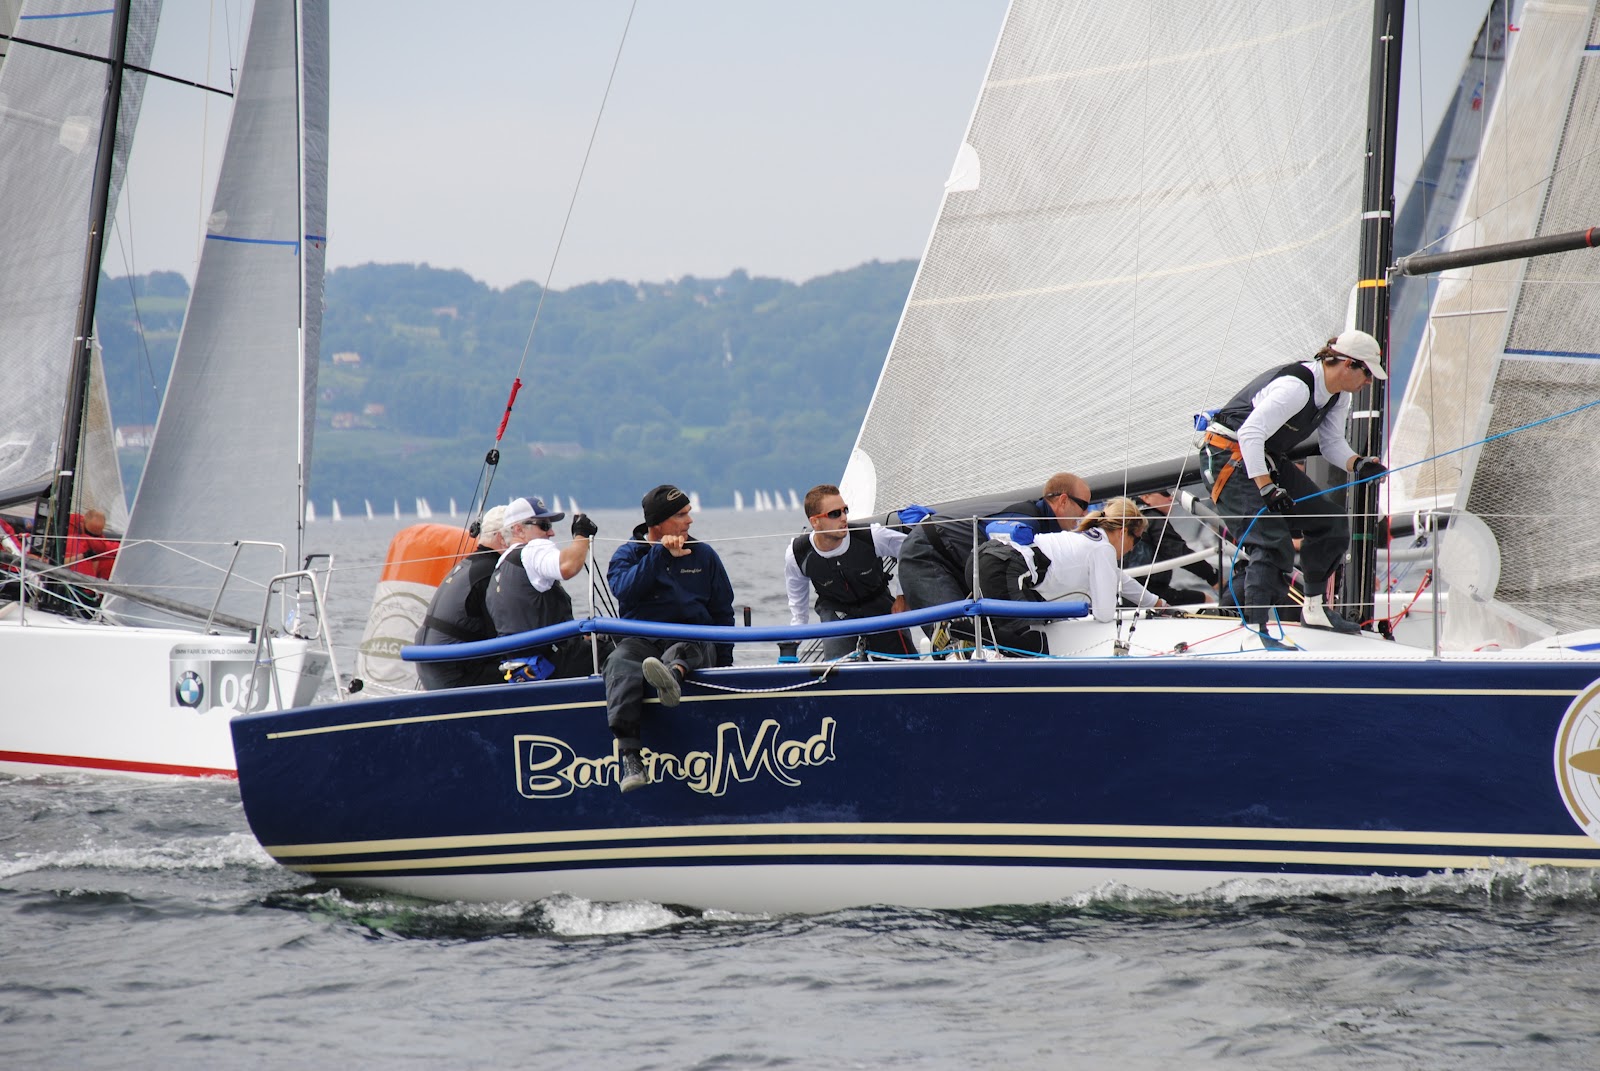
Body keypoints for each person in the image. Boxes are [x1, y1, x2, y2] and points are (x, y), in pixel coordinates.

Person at [1200, 329, 1389, 642]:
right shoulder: (1296, 388)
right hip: (1228, 456)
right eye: (1367, 373)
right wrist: (1266, 488)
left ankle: (1314, 609)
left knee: (1330, 523)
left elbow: (1331, 443)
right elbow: (1249, 434)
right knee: (1270, 541)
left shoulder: (1338, 395)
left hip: (1264, 457)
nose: (1369, 382)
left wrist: (1358, 463)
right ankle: (1255, 630)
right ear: (1348, 364)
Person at [604, 484, 735, 793]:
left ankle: (671, 677)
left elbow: (722, 613)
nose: (690, 520)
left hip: (692, 641)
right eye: (681, 515)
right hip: (643, 643)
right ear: (657, 523)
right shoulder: (627, 554)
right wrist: (659, 554)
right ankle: (630, 757)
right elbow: (624, 590)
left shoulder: (704, 554)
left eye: (688, 513)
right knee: (619, 660)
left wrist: (726, 668)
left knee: (686, 644)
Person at [898, 472, 1091, 613]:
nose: (1085, 514)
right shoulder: (1026, 523)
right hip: (926, 553)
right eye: (1083, 506)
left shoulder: (1038, 525)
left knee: (977, 633)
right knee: (957, 633)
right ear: (1063, 501)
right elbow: (999, 571)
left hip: (952, 560)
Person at [783, 484, 910, 660]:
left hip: (878, 603)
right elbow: (798, 609)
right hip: (835, 609)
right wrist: (793, 641)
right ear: (815, 522)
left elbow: (910, 549)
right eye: (835, 514)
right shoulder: (797, 554)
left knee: (901, 665)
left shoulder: (871, 536)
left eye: (845, 510)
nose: (844, 517)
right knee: (838, 667)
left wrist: (902, 596)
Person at [485, 496, 599, 681]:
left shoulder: (500, 567)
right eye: (544, 526)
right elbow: (568, 566)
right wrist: (582, 534)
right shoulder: (532, 550)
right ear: (518, 529)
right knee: (624, 650)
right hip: (555, 664)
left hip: (520, 666)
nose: (551, 532)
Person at [414, 506, 510, 690]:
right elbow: (504, 634)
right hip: (456, 677)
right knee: (539, 667)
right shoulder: (491, 574)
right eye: (518, 533)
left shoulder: (469, 564)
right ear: (501, 538)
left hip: (433, 670)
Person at [1028, 497, 1165, 623]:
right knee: (1033, 637)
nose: (1132, 549)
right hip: (1020, 570)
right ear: (1123, 532)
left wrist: (1158, 604)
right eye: (1137, 540)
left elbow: (1121, 579)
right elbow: (1104, 614)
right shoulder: (1102, 548)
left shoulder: (1093, 540)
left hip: (1023, 571)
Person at [1121, 491, 1219, 606]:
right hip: (1146, 591)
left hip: (1121, 593)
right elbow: (1177, 551)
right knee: (1206, 599)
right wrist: (1213, 577)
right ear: (1146, 497)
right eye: (1165, 493)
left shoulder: (1126, 518)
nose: (1171, 498)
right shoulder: (1152, 518)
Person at [66, 508, 119, 581]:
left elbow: (104, 548)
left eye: (96, 536)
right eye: (89, 534)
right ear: (82, 523)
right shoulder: (68, 524)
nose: (92, 538)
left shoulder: (98, 539)